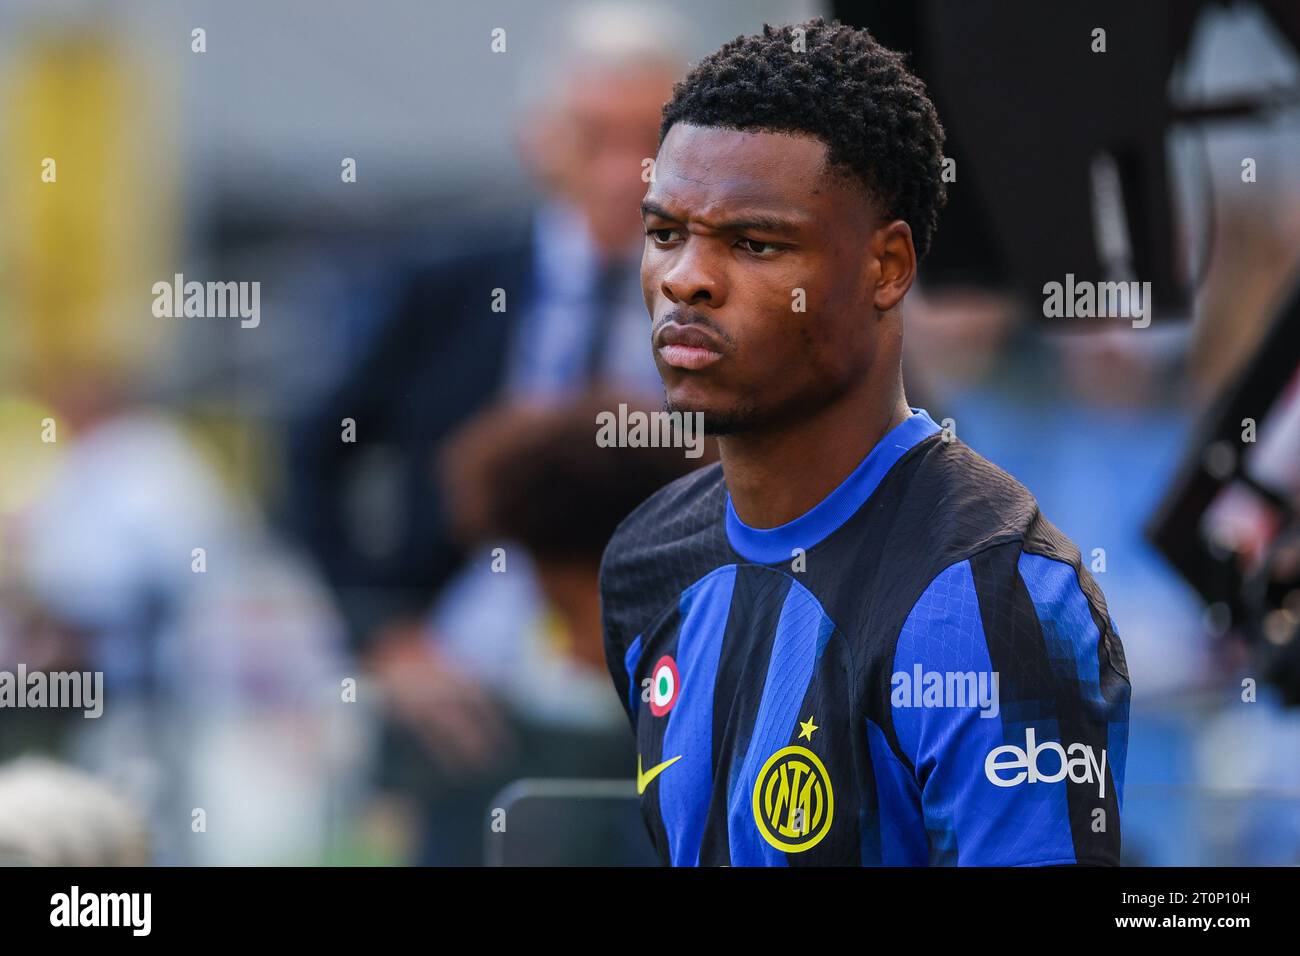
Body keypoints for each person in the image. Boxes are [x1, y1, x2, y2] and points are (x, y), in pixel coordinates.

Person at [599, 18, 1132, 866]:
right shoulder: (647, 559)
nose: (684, 278)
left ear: (887, 268)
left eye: (754, 243)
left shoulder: (988, 595)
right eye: (666, 233)